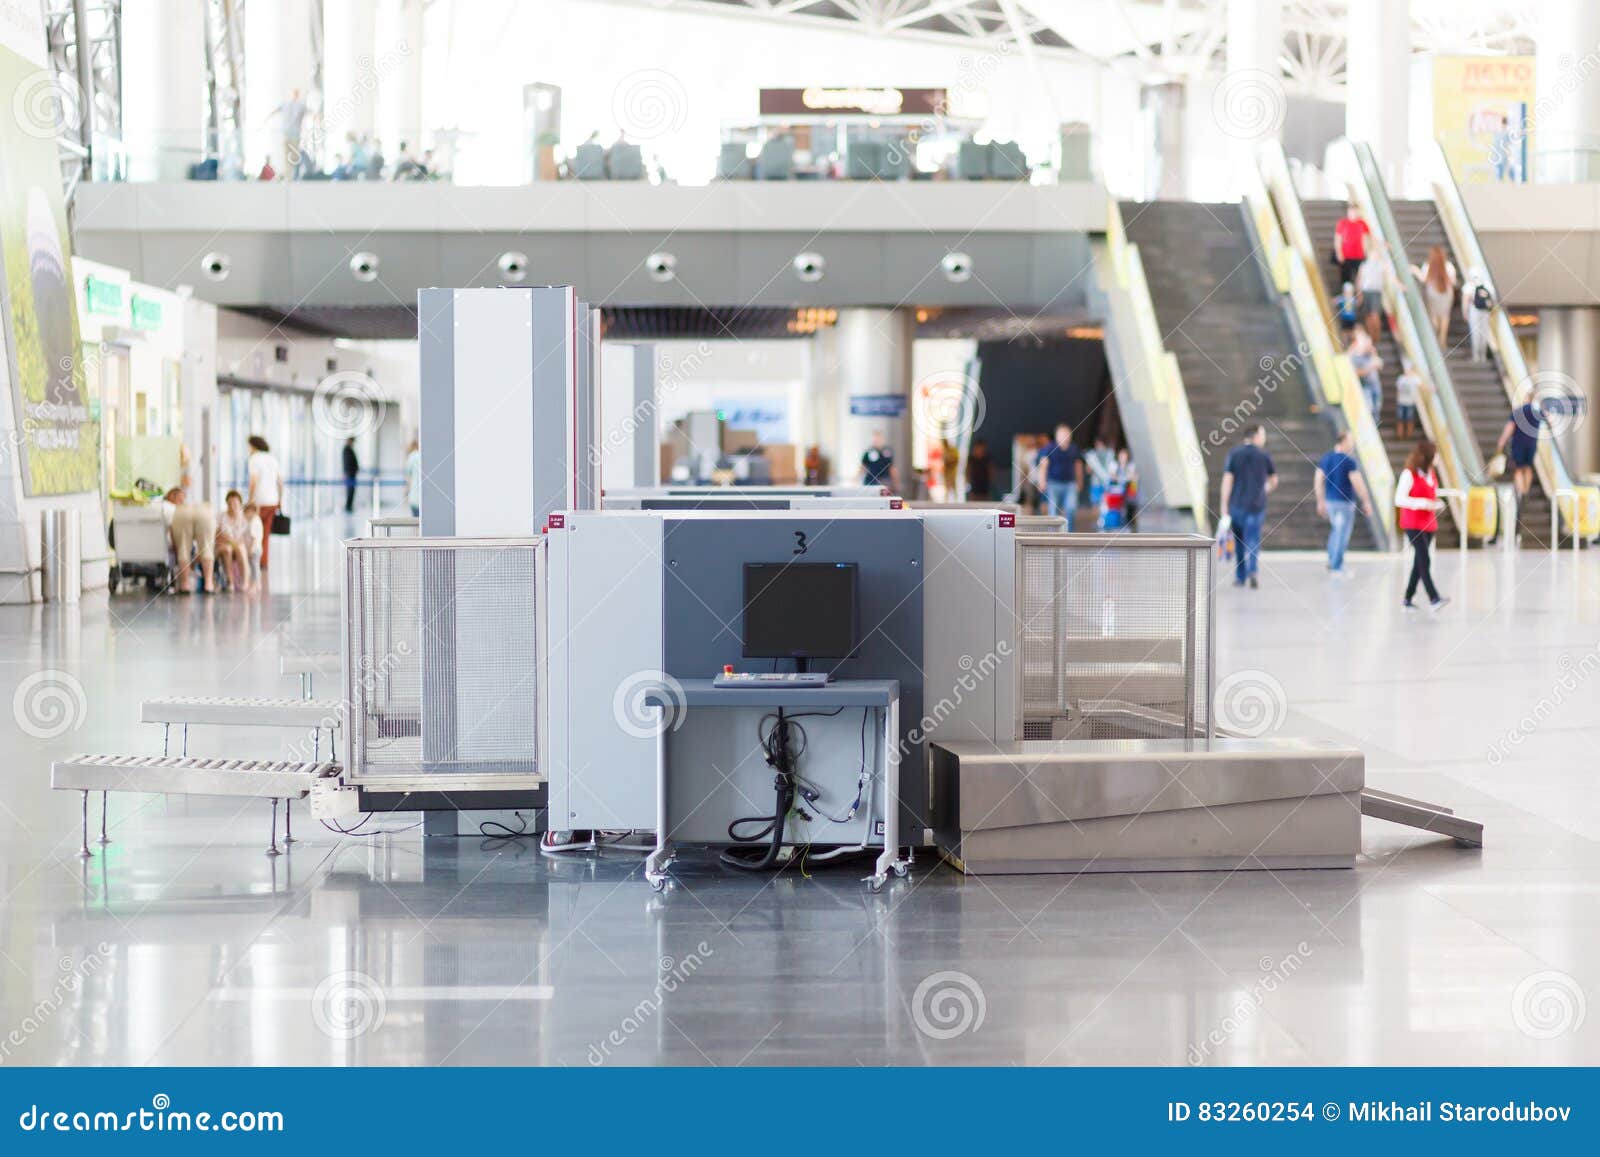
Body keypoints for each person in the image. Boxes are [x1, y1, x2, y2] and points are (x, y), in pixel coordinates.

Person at [1219, 424, 1277, 589]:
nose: (1264, 439)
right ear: (1256, 436)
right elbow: (1274, 480)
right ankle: (1253, 571)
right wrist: (1265, 489)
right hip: (1256, 505)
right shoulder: (1264, 455)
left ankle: (1240, 576)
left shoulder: (1234, 454)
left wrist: (1224, 504)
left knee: (1239, 543)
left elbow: (1227, 481)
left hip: (1237, 506)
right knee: (1253, 540)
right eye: (1263, 435)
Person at [1395, 440, 1449, 612]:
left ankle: (1407, 598)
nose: (1438, 458)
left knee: (1419, 563)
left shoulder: (1431, 474)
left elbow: (1431, 494)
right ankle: (1434, 598)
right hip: (1413, 524)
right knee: (1424, 559)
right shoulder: (1409, 474)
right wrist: (1423, 503)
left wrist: (1435, 503)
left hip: (1428, 524)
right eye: (1436, 455)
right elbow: (1399, 499)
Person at [1314, 432, 1373, 575]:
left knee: (1336, 531)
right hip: (1345, 503)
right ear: (1344, 441)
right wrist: (1366, 501)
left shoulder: (1326, 458)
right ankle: (1336, 566)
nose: (1352, 444)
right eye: (1351, 441)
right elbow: (1357, 482)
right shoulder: (1349, 461)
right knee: (1342, 534)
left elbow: (1318, 480)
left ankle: (1332, 560)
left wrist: (1320, 500)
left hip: (1330, 502)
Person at [163, 487, 217, 595]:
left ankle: (185, 585)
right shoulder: (172, 504)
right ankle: (209, 585)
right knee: (207, 548)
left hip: (182, 514)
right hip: (205, 510)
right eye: (182, 496)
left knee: (183, 549)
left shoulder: (167, 506)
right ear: (173, 495)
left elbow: (171, 533)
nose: (183, 499)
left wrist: (175, 546)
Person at [1496, 385, 1543, 508]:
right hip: (1532, 444)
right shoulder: (1537, 413)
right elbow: (1549, 419)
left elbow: (1510, 427)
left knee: (1518, 469)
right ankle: (1526, 490)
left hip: (1519, 444)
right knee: (1527, 468)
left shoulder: (1519, 411)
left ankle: (1520, 493)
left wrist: (1501, 442)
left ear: (1527, 398)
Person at [1033, 423, 1086, 525]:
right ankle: (1053, 535)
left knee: (1071, 508)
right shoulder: (1049, 448)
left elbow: (1078, 466)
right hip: (1053, 483)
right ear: (1057, 436)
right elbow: (1043, 465)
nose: (1065, 438)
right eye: (1062, 435)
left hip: (1070, 484)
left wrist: (1080, 481)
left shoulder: (1074, 449)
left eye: (1067, 435)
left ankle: (1069, 534)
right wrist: (1041, 481)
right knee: (1053, 510)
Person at [245, 435, 282, 570]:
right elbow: (280, 482)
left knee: (253, 532)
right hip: (273, 501)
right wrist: (280, 500)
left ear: (253, 446)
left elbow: (253, 481)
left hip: (259, 502)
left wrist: (249, 500)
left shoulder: (254, 459)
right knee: (265, 533)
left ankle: (253, 559)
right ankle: (263, 562)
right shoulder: (272, 459)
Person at [1413, 246, 1457, 346]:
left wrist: (1415, 270)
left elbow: (1424, 279)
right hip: (1446, 293)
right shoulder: (1449, 266)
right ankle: (1442, 338)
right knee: (1445, 316)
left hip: (1432, 292)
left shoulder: (1428, 266)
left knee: (1433, 315)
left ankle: (1435, 335)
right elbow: (1453, 282)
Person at [216, 489, 254, 593]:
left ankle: (245, 581)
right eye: (230, 503)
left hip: (238, 546)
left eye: (235, 503)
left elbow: (245, 538)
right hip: (223, 546)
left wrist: (236, 543)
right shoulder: (221, 516)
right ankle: (230, 581)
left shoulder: (243, 519)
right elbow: (218, 535)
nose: (232, 506)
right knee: (228, 549)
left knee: (240, 548)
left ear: (240, 504)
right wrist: (231, 541)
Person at [267, 88, 307, 175]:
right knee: (286, 154)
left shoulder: (301, 105)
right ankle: (288, 174)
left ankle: (293, 171)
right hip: (286, 133)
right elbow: (275, 111)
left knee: (295, 155)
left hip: (295, 134)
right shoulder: (285, 104)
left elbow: (309, 112)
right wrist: (266, 120)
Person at [1348, 329, 1383, 423]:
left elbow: (1379, 364)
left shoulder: (1368, 354)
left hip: (1374, 387)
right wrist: (1370, 367)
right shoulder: (1353, 356)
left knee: (1376, 410)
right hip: (1365, 387)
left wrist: (1372, 351)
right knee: (1369, 411)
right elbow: (1356, 373)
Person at [1333, 203, 1371, 289]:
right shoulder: (1342, 223)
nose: (1354, 213)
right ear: (1348, 212)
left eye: (1355, 211)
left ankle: (1358, 297)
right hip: (1346, 256)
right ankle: (1346, 297)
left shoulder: (1362, 223)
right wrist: (1339, 253)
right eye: (1352, 211)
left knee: (1359, 278)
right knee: (1346, 279)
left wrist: (1366, 252)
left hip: (1359, 256)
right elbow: (1338, 239)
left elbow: (1366, 239)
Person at [1357, 240, 1388, 342]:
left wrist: (1384, 247)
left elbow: (1389, 273)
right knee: (1368, 315)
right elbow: (1360, 280)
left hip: (1376, 292)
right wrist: (1359, 294)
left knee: (1375, 315)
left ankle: (1376, 336)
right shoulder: (1364, 265)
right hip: (1366, 291)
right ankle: (1372, 336)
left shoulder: (1380, 265)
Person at [1462, 268, 1493, 362]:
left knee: (1475, 333)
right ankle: (1483, 356)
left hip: (1474, 311)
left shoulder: (1469, 286)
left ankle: (1476, 356)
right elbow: (1491, 302)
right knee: (1484, 333)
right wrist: (1490, 311)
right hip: (1485, 312)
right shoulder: (1487, 285)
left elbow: (1465, 300)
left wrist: (1465, 312)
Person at [1394, 358, 1423, 441]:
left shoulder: (1415, 379)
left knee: (1409, 419)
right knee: (1400, 419)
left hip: (1410, 403)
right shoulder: (1401, 378)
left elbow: (1422, 386)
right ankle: (1400, 435)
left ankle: (1408, 435)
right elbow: (1398, 390)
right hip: (1401, 402)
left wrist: (1431, 388)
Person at [1114, 447, 1139, 530]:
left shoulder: (1131, 466)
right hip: (1118, 493)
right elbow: (1113, 477)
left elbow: (1133, 477)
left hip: (1129, 494)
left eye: (1124, 456)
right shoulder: (1116, 466)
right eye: (1121, 456)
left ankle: (1130, 527)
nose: (1123, 458)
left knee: (1130, 510)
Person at [242, 502, 264, 587]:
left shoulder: (254, 521)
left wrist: (250, 550)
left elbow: (253, 538)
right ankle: (256, 584)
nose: (245, 515)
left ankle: (255, 584)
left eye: (246, 512)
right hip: (255, 549)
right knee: (254, 566)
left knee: (254, 567)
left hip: (254, 549)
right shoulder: (254, 520)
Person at [342, 436, 360, 513]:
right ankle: (348, 506)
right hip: (349, 473)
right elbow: (347, 463)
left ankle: (349, 506)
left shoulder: (349, 449)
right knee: (350, 490)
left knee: (351, 490)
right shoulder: (346, 450)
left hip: (351, 473)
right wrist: (346, 473)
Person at [404, 438, 422, 517]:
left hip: (414, 496)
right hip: (422, 497)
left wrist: (406, 491)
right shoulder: (421, 455)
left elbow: (408, 477)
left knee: (415, 521)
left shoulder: (411, 457)